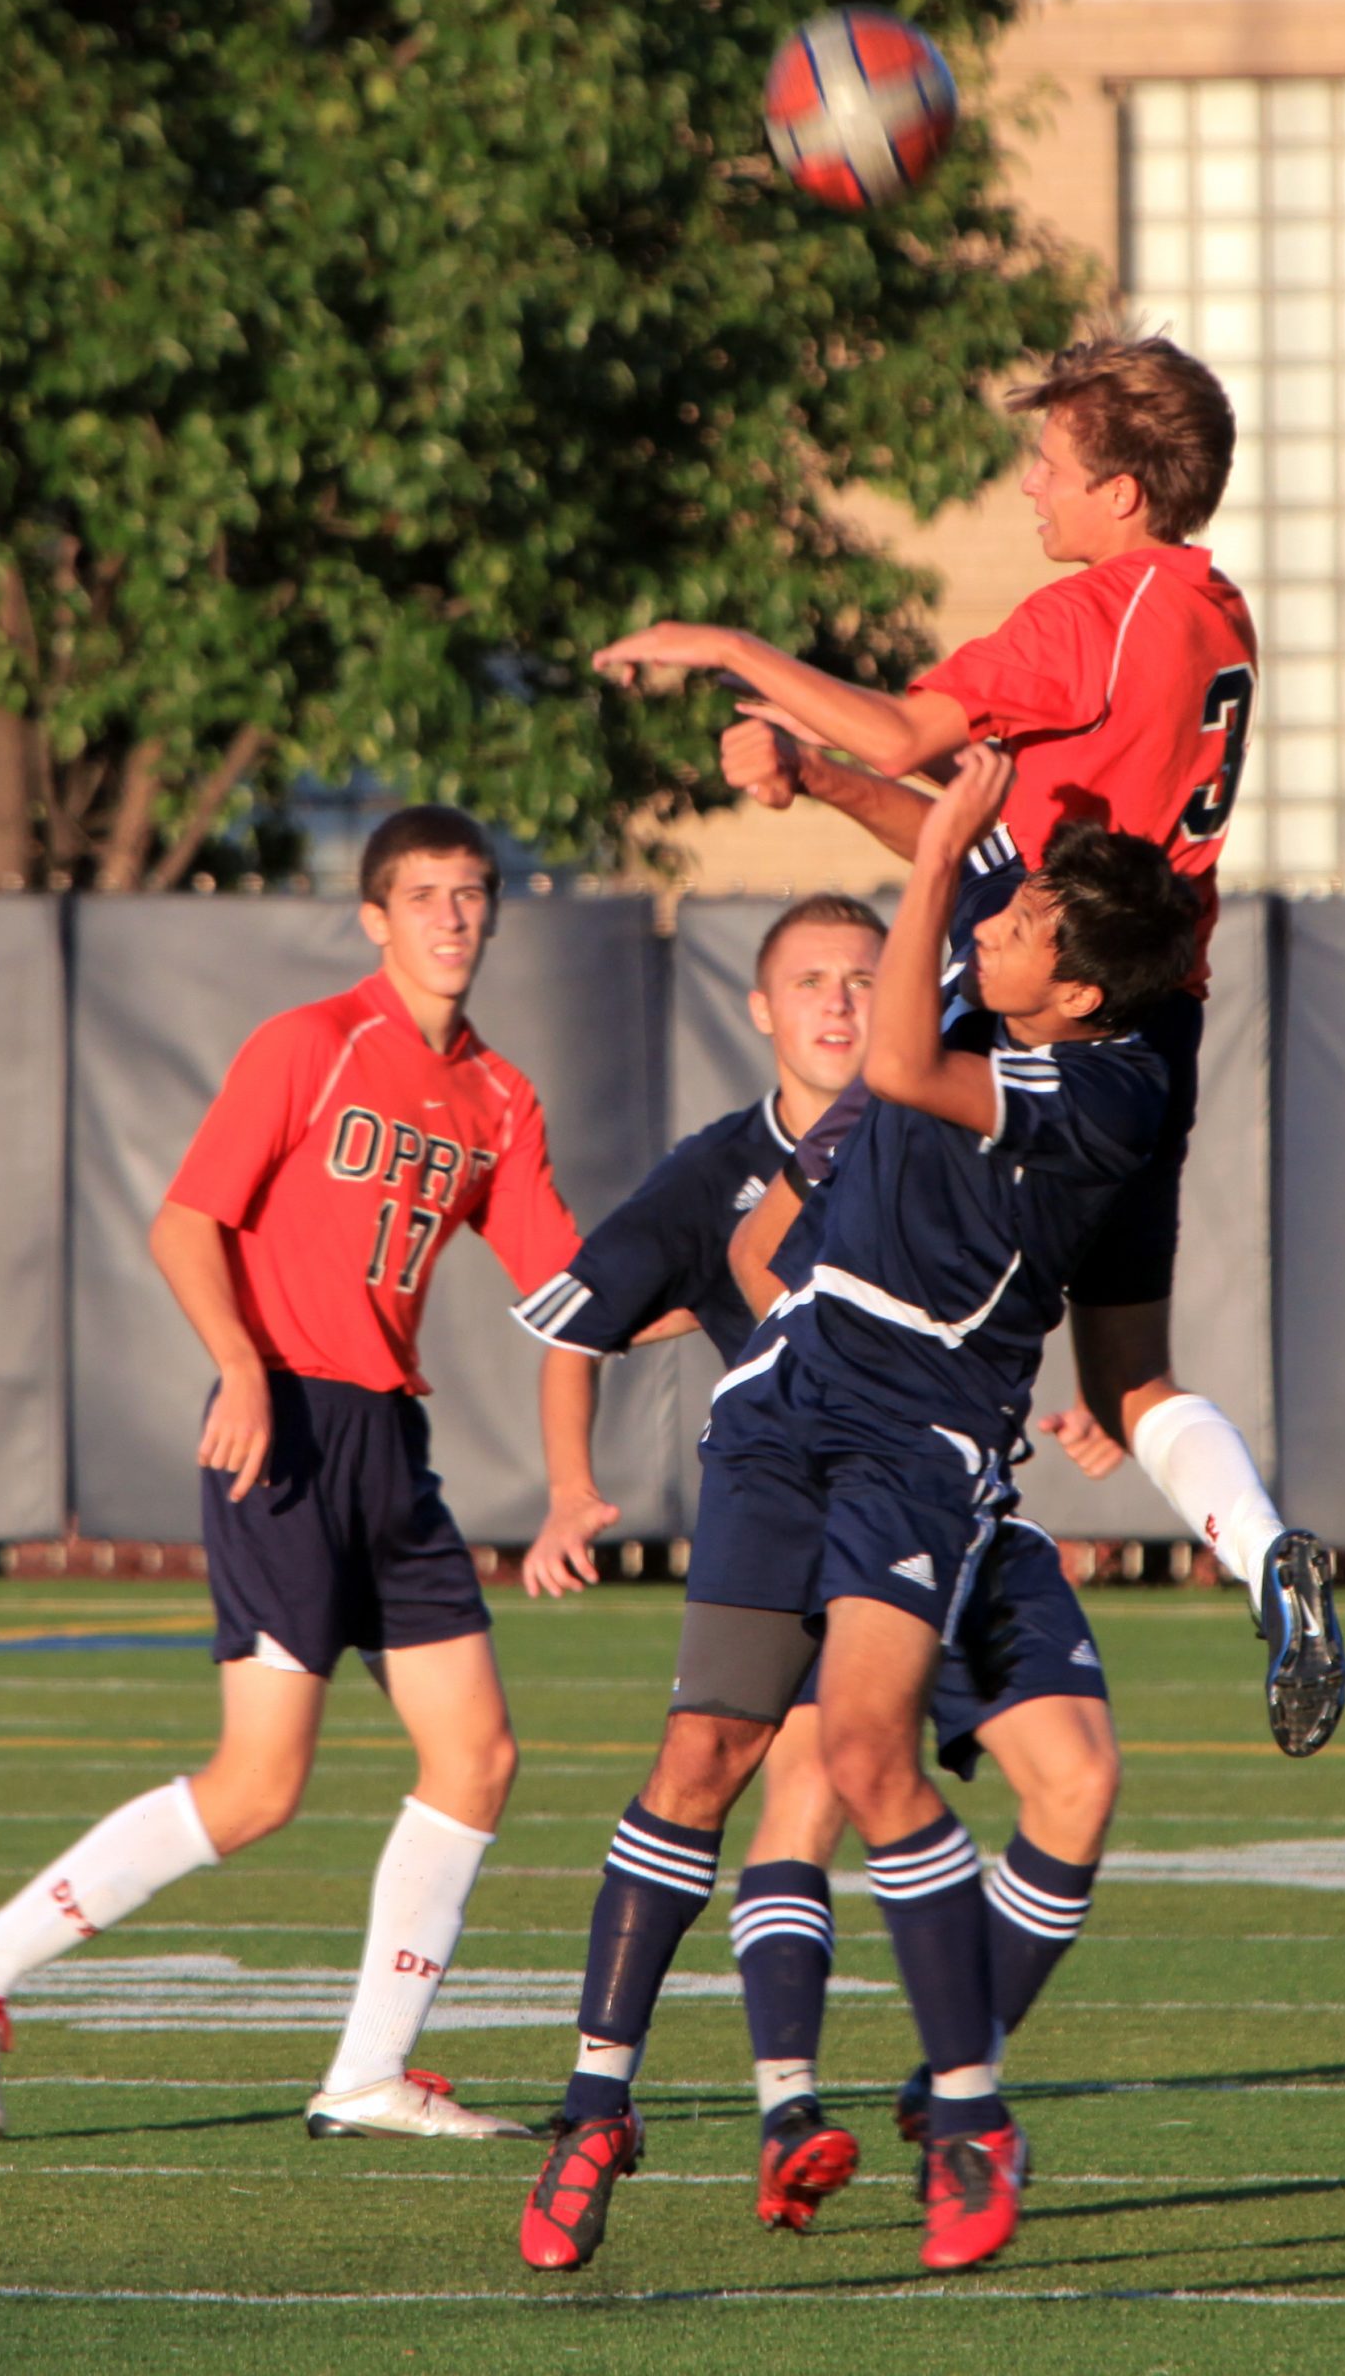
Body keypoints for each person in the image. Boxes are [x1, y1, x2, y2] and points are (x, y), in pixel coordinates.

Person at [598, 332, 1345, 1763]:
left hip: (1022, 1014)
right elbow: (983, 842)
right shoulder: (1217, 609)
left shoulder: (1099, 613)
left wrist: (731, 650)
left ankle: (859, 1563)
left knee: (775, 1246)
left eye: (1051, 466)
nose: (1029, 488)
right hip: (1146, 1028)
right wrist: (814, 776)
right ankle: (1264, 1559)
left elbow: (905, 737)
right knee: (1124, 1376)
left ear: (1125, 493)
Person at [518, 746, 1202, 2277]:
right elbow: (923, 826)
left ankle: (966, 2116)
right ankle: (594, 2110)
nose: (988, 931)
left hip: (922, 1437)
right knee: (699, 1755)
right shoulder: (998, 966)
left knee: (872, 1752)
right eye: (997, 911)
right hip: (784, 1408)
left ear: (1078, 990)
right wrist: (811, 761)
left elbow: (897, 1064)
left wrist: (940, 861)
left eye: (1017, 929)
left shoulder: (1111, 1085)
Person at [0, 807, 581, 2145]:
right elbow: (182, 1224)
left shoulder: (499, 1097)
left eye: (471, 893)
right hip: (283, 1432)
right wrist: (243, 1367)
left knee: (478, 1756)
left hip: (390, 1447)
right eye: (423, 895)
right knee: (260, 1784)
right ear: (375, 919)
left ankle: (369, 2074)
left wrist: (739, 1275)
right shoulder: (312, 1044)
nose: (452, 916)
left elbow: (566, 1288)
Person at [513, 893, 887, 2232]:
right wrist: (570, 1491)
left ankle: (788, 2111)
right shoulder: (717, 1167)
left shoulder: (942, 1131)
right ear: (761, 1009)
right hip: (777, 1497)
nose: (839, 1002)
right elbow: (577, 1320)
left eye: (865, 978)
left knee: (821, 1783)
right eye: (813, 980)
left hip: (905, 1507)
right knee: (699, 1765)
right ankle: (594, 2106)